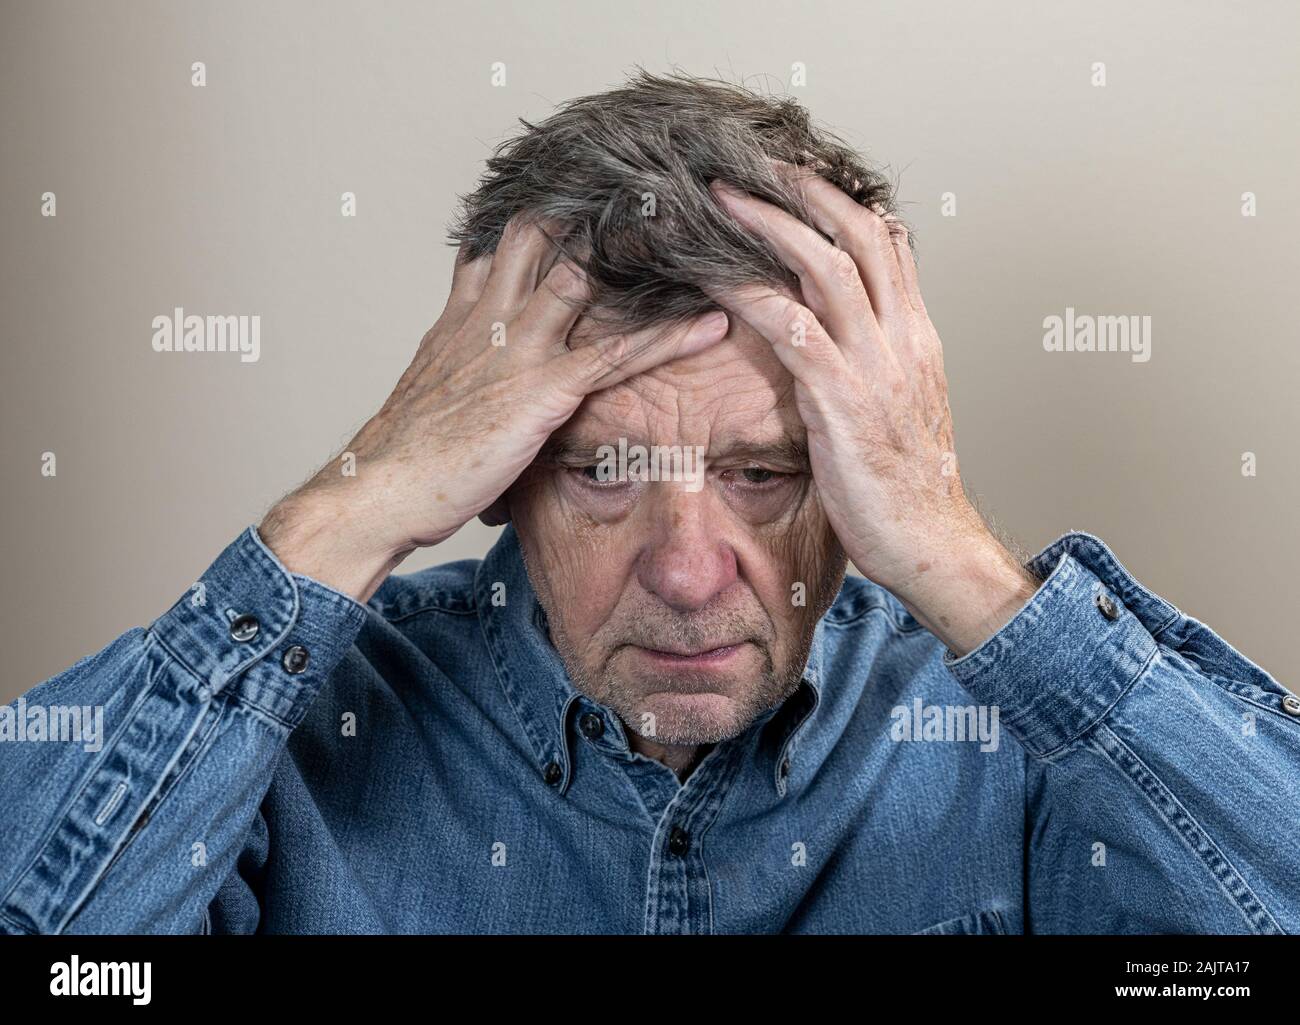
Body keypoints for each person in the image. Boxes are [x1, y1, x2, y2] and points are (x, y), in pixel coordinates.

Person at [2, 72, 1296, 935]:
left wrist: (952, 551)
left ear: (860, 476)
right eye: (604, 470)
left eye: (766, 473)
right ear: (494, 471)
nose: (688, 571)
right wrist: (362, 496)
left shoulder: (1006, 748)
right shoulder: (297, 742)